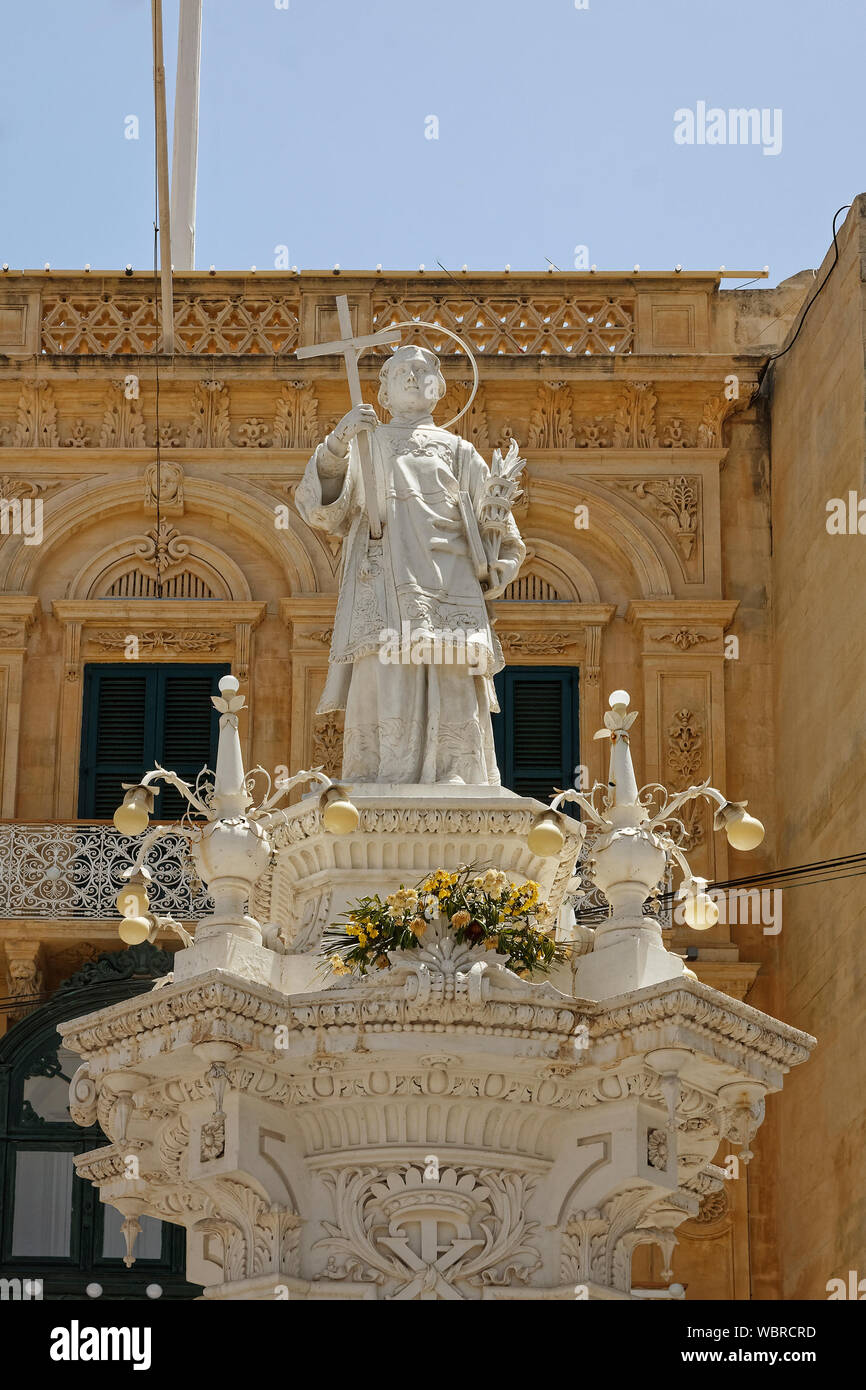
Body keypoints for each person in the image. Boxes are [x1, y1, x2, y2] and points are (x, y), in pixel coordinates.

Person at [295, 345, 525, 784]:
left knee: (450, 666)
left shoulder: (460, 451)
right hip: (382, 575)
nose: (414, 377)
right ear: (382, 393)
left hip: (449, 577)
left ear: (438, 389)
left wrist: (496, 556)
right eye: (403, 370)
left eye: (424, 372)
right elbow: (320, 508)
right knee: (388, 664)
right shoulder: (365, 443)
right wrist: (337, 442)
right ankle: (383, 769)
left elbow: (497, 528)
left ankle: (455, 769)